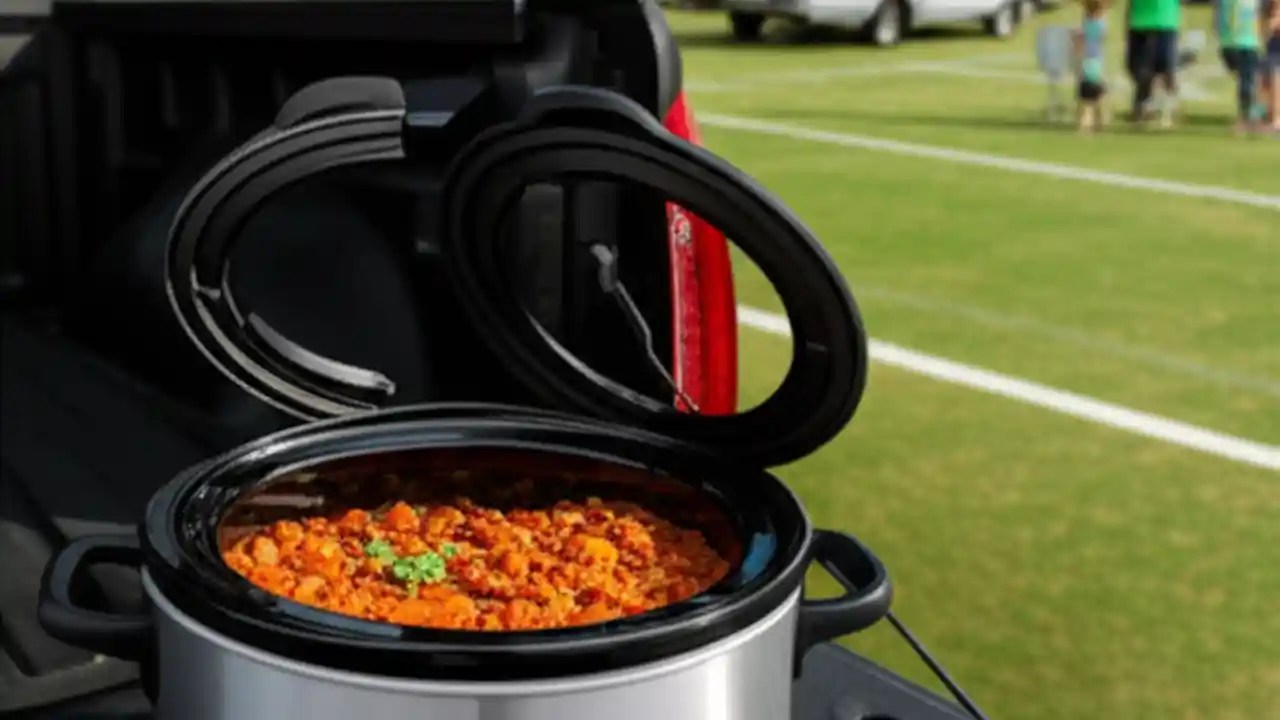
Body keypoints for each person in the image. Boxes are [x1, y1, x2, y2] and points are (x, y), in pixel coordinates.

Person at [1126, 0, 1182, 127]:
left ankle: (1168, 110)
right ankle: (1143, 106)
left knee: (1165, 70)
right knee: (1140, 70)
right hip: (1140, 20)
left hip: (1164, 20)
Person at [1215, 0, 1264, 133]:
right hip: (1230, 45)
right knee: (1246, 82)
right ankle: (1252, 116)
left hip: (1249, 44)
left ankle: (1247, 119)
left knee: (1247, 83)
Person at [1075, 0, 1111, 131]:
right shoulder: (1101, 25)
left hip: (1085, 62)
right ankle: (1102, 121)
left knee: (1085, 98)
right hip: (1097, 63)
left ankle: (1083, 124)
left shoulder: (1085, 25)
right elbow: (1103, 36)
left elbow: (1079, 41)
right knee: (1101, 95)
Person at [1262, 0, 1280, 131]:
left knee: (1274, 80)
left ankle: (1275, 119)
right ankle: (1271, 116)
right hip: (1273, 44)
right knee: (1268, 81)